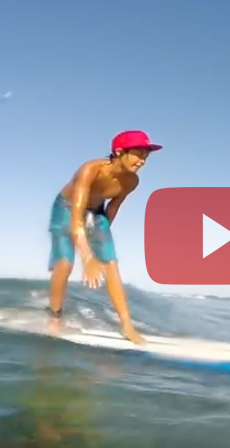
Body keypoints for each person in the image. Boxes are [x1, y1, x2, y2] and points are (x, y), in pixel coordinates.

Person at [46, 130, 162, 344]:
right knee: (65, 263)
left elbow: (113, 207)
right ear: (119, 152)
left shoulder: (131, 182)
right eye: (137, 154)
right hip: (67, 208)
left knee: (111, 263)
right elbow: (77, 214)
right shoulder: (91, 170)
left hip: (96, 213)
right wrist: (87, 257)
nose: (142, 161)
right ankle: (54, 316)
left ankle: (127, 326)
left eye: (146, 156)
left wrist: (100, 240)